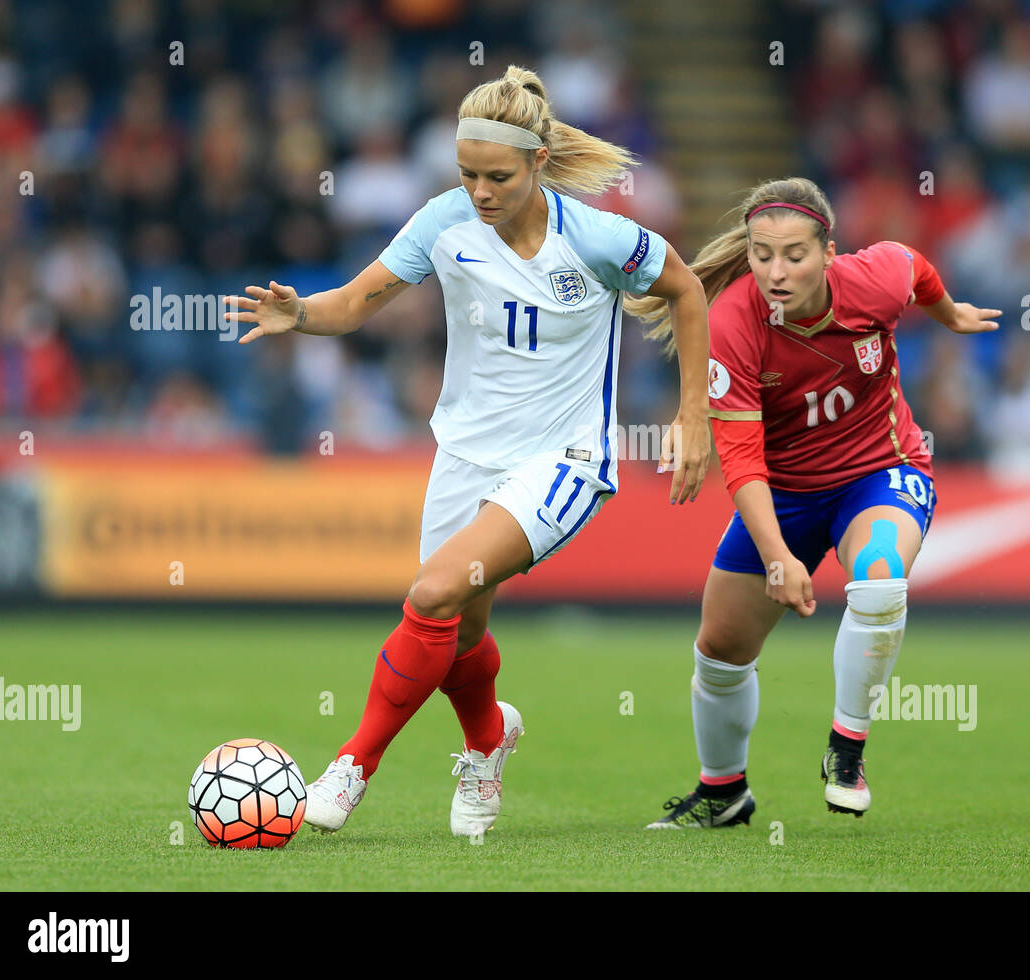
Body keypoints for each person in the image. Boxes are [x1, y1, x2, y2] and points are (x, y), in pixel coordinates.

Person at [228, 66, 710, 837]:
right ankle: (489, 739)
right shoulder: (443, 222)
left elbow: (686, 289)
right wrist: (302, 314)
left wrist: (693, 414)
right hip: (466, 454)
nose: (480, 192)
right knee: (460, 633)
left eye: (497, 177)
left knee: (430, 596)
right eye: (466, 174)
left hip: (565, 458)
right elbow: (355, 302)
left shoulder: (597, 238)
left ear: (539, 164)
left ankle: (350, 768)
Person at [626, 177, 999, 828]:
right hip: (785, 495)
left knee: (880, 581)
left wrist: (950, 315)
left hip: (881, 471)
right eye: (762, 254)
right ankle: (723, 795)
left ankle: (846, 751)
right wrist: (776, 557)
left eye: (794, 255)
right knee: (718, 650)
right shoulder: (733, 322)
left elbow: (916, 268)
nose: (775, 271)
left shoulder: (873, 279)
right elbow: (740, 458)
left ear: (829, 252)